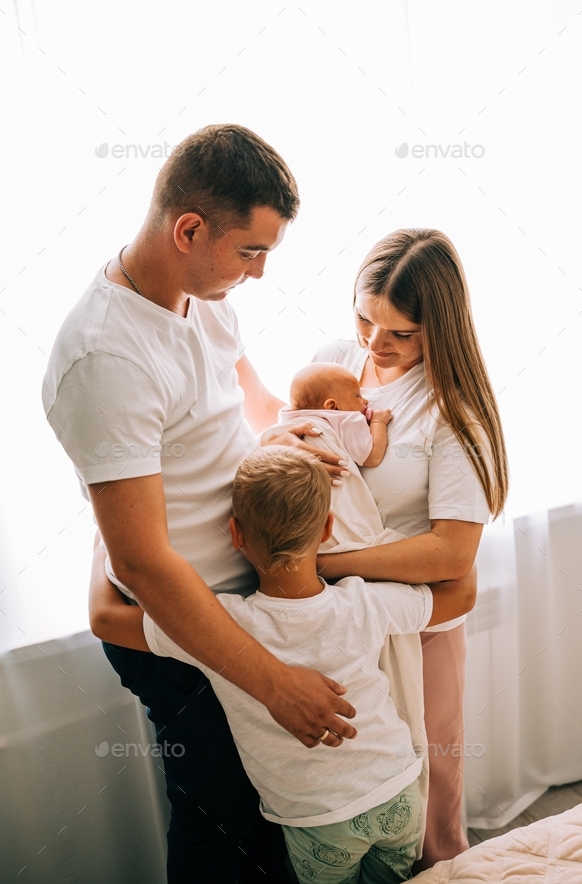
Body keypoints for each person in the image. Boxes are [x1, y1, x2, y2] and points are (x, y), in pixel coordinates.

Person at [42, 124, 357, 883]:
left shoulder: (204, 297)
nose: (259, 273)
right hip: (184, 625)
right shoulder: (106, 356)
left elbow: (250, 410)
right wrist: (274, 682)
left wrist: (296, 437)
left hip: (247, 596)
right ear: (188, 230)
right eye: (250, 252)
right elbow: (143, 565)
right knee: (221, 824)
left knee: (278, 812)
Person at [89, 446, 477, 884]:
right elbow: (461, 594)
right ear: (327, 528)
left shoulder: (217, 628)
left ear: (235, 534)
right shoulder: (364, 601)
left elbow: (105, 620)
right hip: (398, 791)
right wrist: (458, 547)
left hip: (320, 820)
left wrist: (104, 547)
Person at [312, 229, 509, 870]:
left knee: (427, 793)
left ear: (439, 328)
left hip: (420, 630)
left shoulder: (453, 410)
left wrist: (329, 565)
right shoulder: (336, 363)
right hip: (336, 623)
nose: (375, 343)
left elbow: (451, 554)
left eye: (400, 332)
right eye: (364, 319)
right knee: (350, 793)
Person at [271, 362, 403, 553]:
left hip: (290, 505)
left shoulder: (287, 418)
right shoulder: (346, 419)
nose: (365, 401)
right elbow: (372, 456)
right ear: (332, 406)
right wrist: (378, 422)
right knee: (353, 530)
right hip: (330, 492)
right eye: (357, 395)